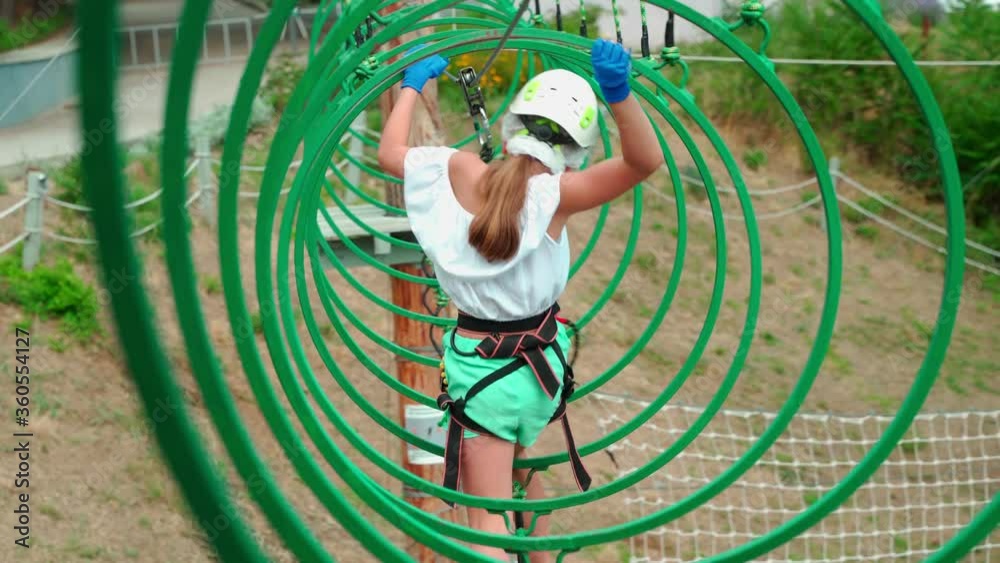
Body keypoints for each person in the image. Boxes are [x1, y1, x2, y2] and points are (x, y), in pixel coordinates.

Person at [378, 39, 663, 562]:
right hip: (538, 378)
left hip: (483, 379)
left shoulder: (458, 168)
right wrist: (619, 93)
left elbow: (389, 153)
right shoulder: (559, 195)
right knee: (522, 470)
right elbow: (645, 161)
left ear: (510, 127)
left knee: (484, 522)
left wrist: (411, 87)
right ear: (575, 153)